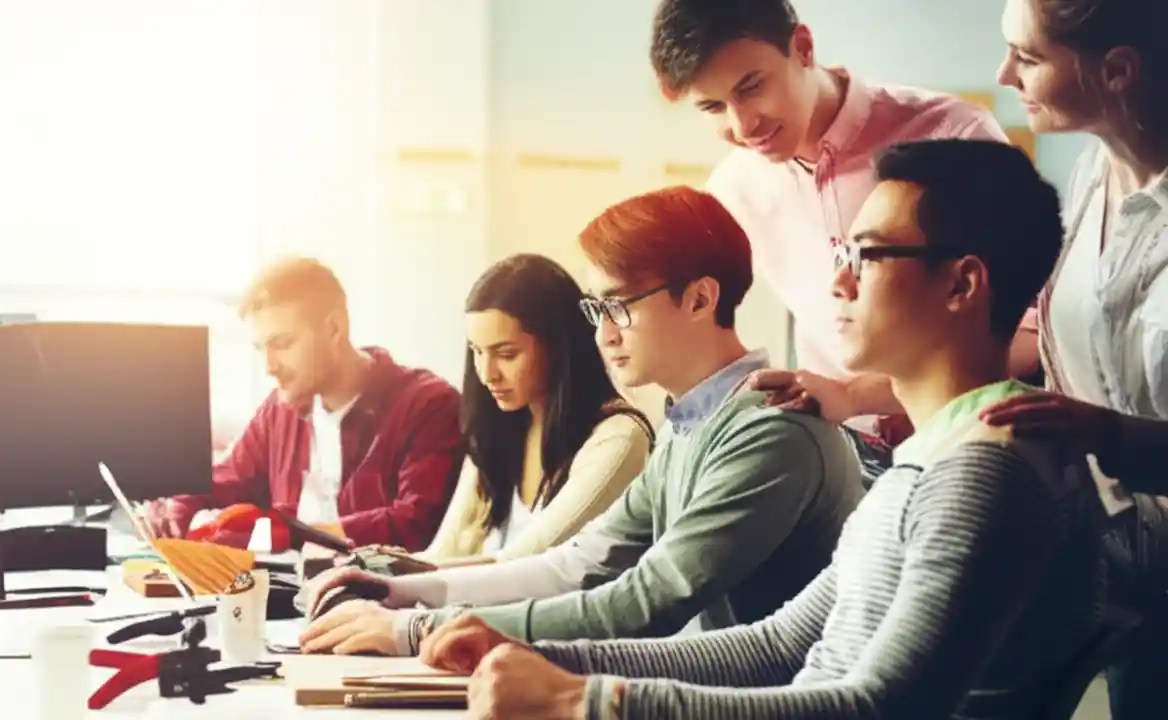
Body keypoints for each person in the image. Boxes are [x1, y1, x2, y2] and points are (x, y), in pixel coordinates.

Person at [433, 139, 1107, 720]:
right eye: (843, 251)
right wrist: (534, 654)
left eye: (867, 256)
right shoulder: (934, 455)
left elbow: (881, 708)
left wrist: (584, 702)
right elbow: (777, 645)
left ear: (961, 286)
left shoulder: (986, 471)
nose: (836, 281)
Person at [296, 186, 863, 656]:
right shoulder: (690, 423)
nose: (603, 333)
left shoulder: (766, 430)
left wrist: (417, 630)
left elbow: (647, 602)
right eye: (596, 310)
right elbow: (577, 565)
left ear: (699, 299)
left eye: (619, 306)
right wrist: (400, 592)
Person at [650, 0, 1038, 475]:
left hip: (972, 448)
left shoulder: (953, 136)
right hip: (838, 458)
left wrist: (857, 395)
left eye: (752, 87)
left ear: (804, 47)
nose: (742, 124)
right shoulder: (733, 189)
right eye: (712, 107)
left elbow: (1033, 336)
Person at [984, 1, 1168, 716]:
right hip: (1120, 563)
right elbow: (1062, 339)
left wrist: (1107, 435)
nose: (1005, 75)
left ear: (1118, 70)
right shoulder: (1094, 170)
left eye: (1027, 57)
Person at [141, 256, 463, 551]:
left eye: (282, 344)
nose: (269, 366)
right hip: (291, 597)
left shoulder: (428, 406)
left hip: (379, 602)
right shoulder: (280, 409)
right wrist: (175, 508)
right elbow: (226, 481)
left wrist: (293, 533)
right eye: (261, 348)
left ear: (334, 329)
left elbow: (417, 524)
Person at [423, 253, 653, 565]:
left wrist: (401, 582)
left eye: (506, 354)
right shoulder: (498, 428)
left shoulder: (619, 436)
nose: (487, 373)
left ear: (558, 347)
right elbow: (442, 554)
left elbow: (524, 563)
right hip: (477, 611)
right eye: (477, 351)